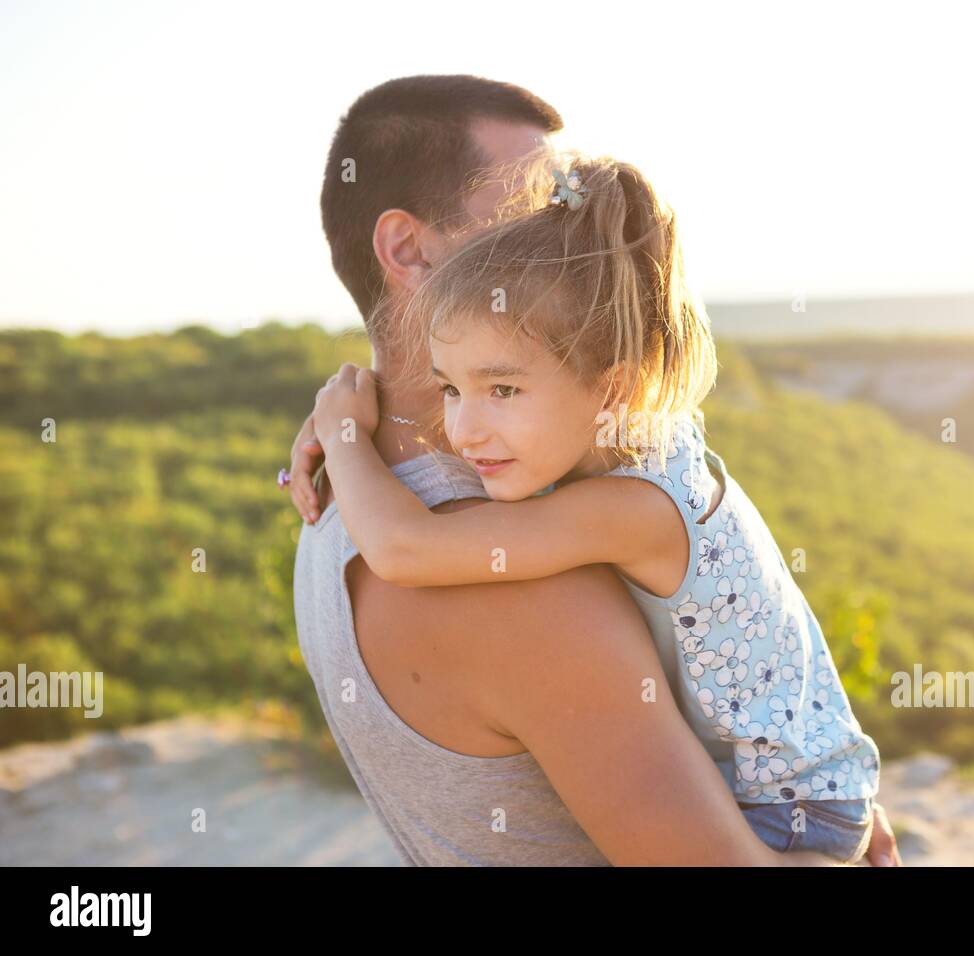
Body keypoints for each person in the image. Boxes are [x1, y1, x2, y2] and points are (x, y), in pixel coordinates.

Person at [288, 74, 902, 866]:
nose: (567, 247)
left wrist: (343, 428)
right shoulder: (516, 577)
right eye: (528, 217)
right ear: (409, 251)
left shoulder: (357, 491)